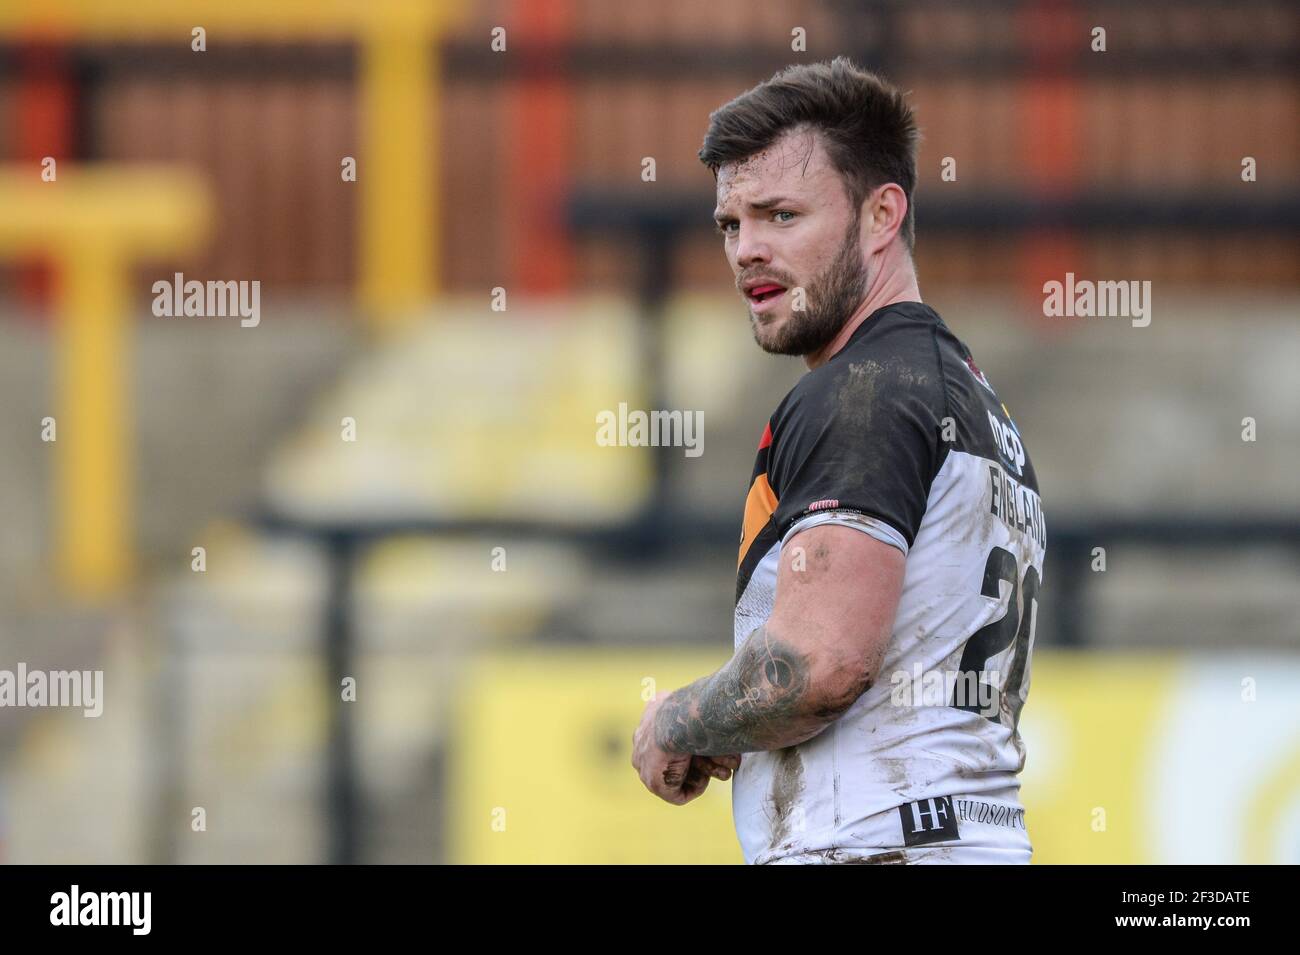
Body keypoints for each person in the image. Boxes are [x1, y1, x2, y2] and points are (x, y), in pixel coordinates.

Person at [631, 57, 1046, 864]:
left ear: (881, 213)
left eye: (781, 215)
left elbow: (819, 664)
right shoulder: (972, 400)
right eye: (731, 223)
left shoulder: (864, 390)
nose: (747, 249)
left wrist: (677, 721)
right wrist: (732, 717)